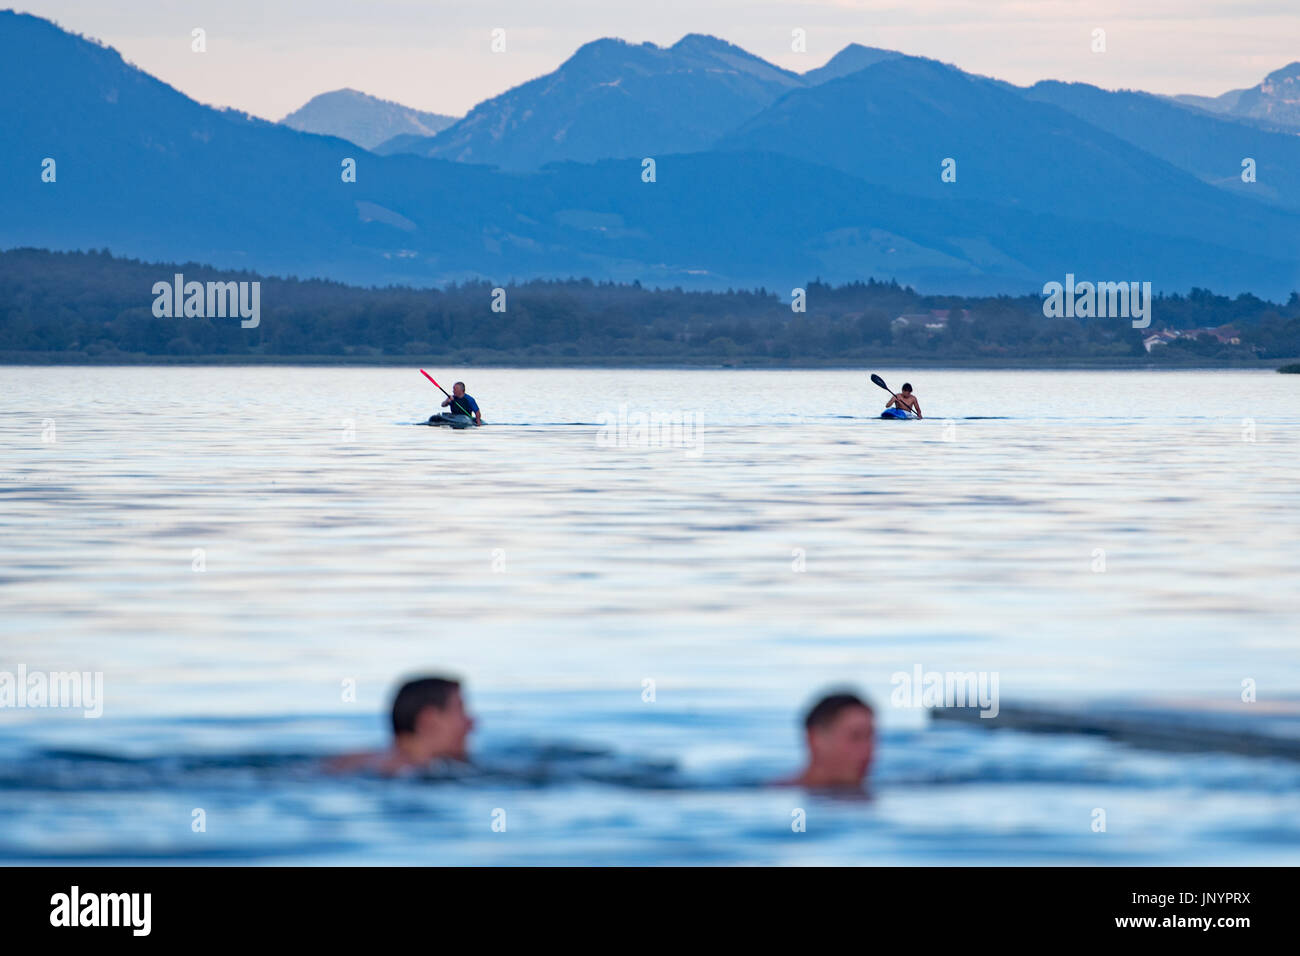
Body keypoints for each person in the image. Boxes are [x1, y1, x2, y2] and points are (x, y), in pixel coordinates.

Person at [327, 675, 475, 775]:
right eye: (460, 710)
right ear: (429, 720)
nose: (471, 724)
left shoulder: (349, 760)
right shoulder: (406, 770)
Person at [779, 691, 875, 790]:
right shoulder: (780, 794)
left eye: (870, 737)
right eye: (855, 737)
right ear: (815, 740)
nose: (867, 749)